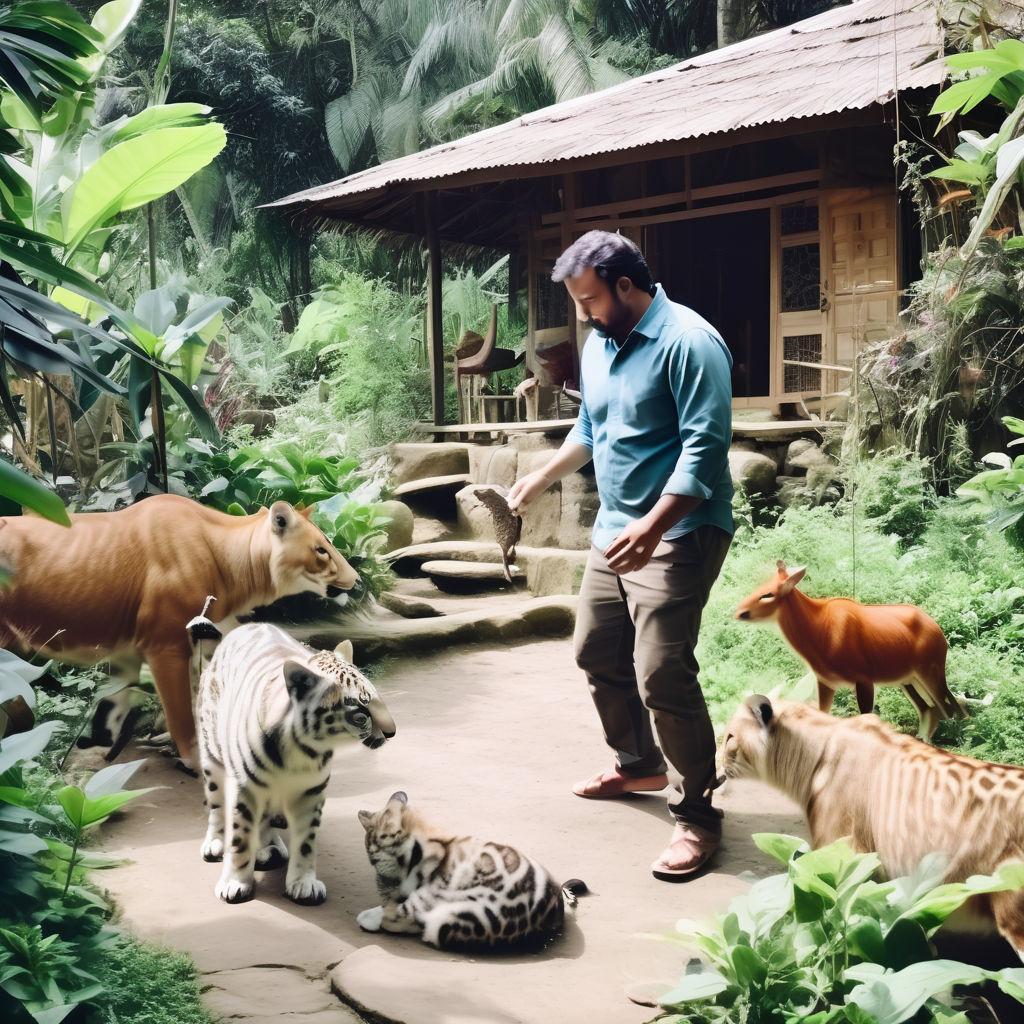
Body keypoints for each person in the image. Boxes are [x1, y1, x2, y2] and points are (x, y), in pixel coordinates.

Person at [507, 230, 734, 881]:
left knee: (662, 671)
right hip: (618, 530)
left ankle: (697, 816)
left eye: (588, 300)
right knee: (596, 650)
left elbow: (704, 451)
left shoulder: (690, 344)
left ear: (626, 287)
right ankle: (640, 765)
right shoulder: (600, 342)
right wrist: (543, 474)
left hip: (682, 530)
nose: (581, 313)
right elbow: (592, 426)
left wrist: (656, 525)